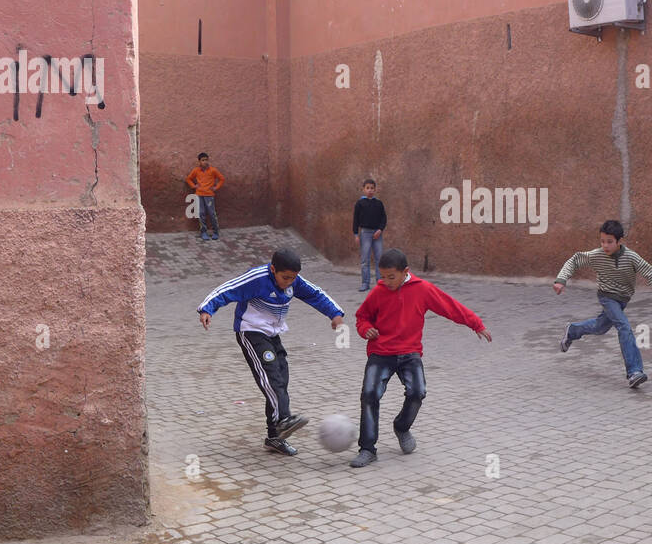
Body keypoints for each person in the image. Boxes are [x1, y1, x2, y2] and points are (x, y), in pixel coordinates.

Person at [350, 248, 491, 468]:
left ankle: (402, 427)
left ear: (405, 271)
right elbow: (362, 317)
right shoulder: (378, 292)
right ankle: (367, 449)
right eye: (382, 276)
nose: (386, 281)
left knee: (418, 392)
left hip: (409, 353)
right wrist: (365, 329)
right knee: (369, 395)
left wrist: (475, 324)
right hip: (381, 352)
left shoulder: (422, 289)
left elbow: (449, 306)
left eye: (391, 277)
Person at [197, 248, 345, 454]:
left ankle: (274, 438)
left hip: (272, 334)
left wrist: (335, 314)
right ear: (273, 269)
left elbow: (315, 294)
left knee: (281, 378)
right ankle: (284, 419)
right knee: (271, 378)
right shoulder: (257, 278)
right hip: (251, 332)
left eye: (293, 278)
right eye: (285, 278)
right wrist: (207, 308)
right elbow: (228, 289)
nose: (289, 282)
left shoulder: (294, 281)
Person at [554, 220, 652, 388]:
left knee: (600, 327)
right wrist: (561, 280)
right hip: (607, 297)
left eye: (609, 242)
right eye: (602, 241)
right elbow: (575, 260)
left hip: (622, 299)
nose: (605, 246)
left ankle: (572, 330)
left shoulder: (631, 257)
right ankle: (635, 372)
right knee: (624, 326)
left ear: (619, 241)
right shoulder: (597, 255)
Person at [352, 178, 387, 291]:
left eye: (372, 188)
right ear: (363, 189)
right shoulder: (360, 203)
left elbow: (383, 218)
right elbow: (356, 219)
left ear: (375, 190)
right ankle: (365, 283)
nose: (370, 190)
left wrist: (380, 230)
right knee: (364, 259)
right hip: (365, 233)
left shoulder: (379, 203)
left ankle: (380, 282)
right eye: (367, 188)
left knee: (379, 258)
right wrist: (356, 234)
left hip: (377, 233)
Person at [186, 152, 225, 240]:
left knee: (211, 214)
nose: (205, 162)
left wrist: (216, 187)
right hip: (199, 195)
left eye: (206, 160)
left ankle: (215, 231)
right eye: (203, 160)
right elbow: (188, 179)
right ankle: (203, 232)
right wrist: (194, 186)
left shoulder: (213, 170)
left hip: (209, 195)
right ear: (199, 162)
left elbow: (222, 179)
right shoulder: (196, 170)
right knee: (201, 213)